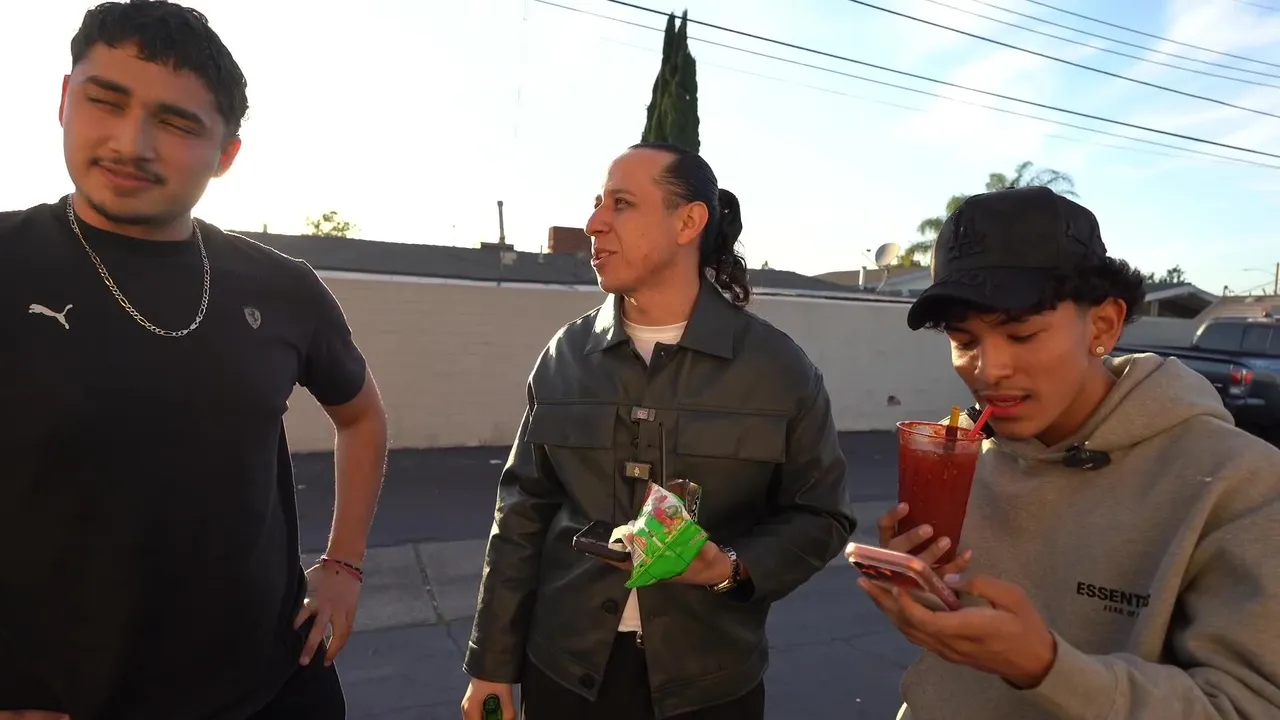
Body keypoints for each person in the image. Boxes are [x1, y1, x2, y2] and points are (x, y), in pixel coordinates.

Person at [0, 2, 388, 718]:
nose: (132, 143)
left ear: (226, 155)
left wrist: (344, 566)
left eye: (177, 123)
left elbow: (362, 418)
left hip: (275, 689)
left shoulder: (283, 287)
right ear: (63, 100)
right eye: (105, 100)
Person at [459, 142, 855, 720]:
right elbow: (521, 514)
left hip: (711, 684)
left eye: (621, 204)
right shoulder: (565, 358)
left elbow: (821, 514)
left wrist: (730, 566)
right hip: (564, 676)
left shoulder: (777, 370)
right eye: (597, 203)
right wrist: (491, 666)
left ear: (688, 222)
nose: (594, 223)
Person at [862, 186, 1280, 719]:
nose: (989, 370)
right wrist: (923, 591)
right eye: (964, 342)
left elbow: (1247, 706)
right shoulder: (963, 454)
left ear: (1103, 325)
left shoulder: (1238, 481)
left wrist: (1045, 668)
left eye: (1021, 335)